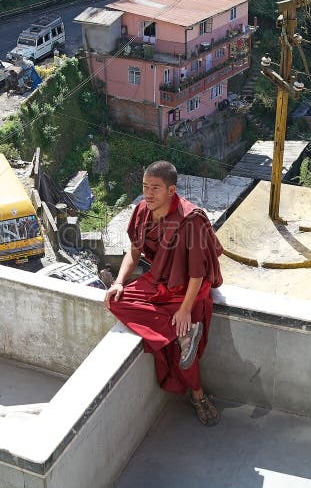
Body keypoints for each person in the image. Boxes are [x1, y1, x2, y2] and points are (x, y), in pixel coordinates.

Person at [104, 161, 223, 426]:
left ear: (171, 190)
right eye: (145, 186)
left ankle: (198, 395)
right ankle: (183, 336)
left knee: (181, 331)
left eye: (155, 188)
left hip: (188, 290)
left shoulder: (191, 220)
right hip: (159, 281)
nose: (148, 193)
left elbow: (197, 273)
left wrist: (183, 310)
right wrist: (120, 281)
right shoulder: (143, 211)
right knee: (114, 301)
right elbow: (134, 252)